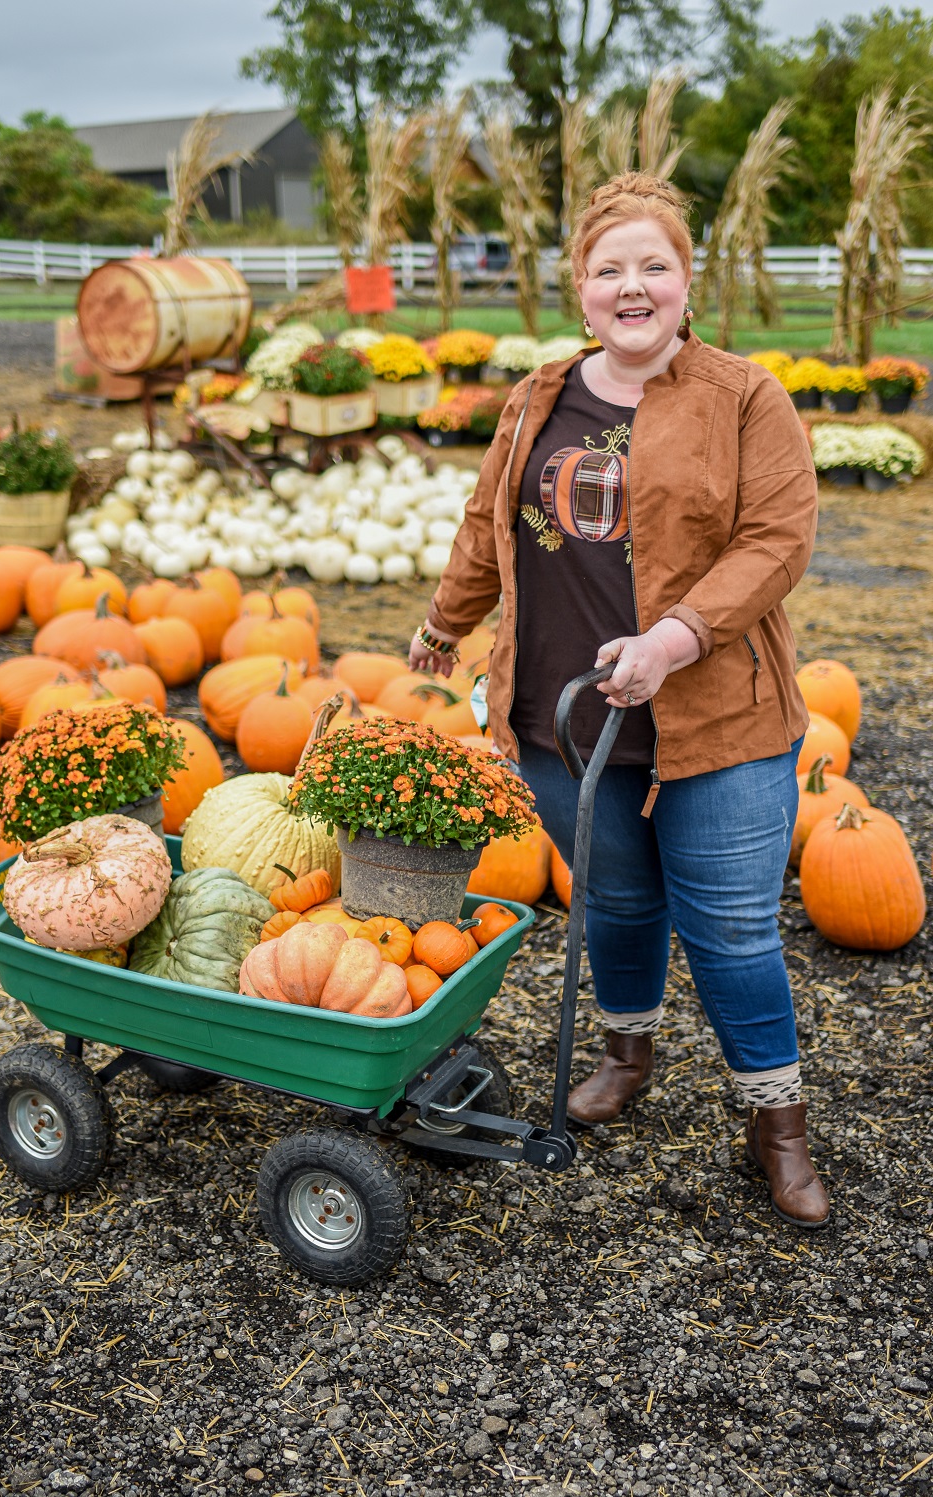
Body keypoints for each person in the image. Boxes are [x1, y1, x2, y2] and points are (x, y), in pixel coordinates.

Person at [408, 171, 829, 1230]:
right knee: (618, 905)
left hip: (717, 714)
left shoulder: (743, 397)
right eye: (609, 271)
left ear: (687, 283)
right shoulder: (539, 393)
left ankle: (776, 1127)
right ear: (580, 291)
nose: (631, 288)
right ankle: (625, 1056)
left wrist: (679, 635)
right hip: (566, 714)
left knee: (732, 932)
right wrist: (443, 625)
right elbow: (484, 523)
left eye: (654, 267)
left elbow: (777, 542)